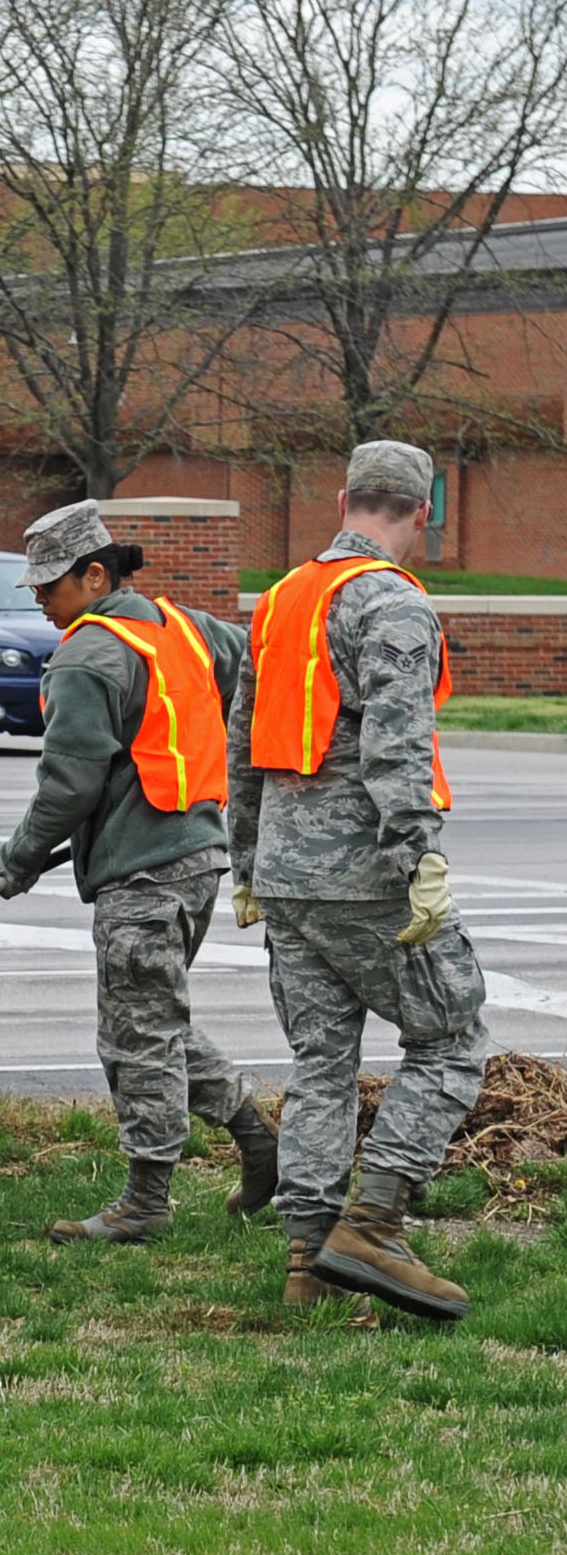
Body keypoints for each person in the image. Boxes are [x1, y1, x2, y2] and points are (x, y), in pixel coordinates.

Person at [227, 439, 486, 1320]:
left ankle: (307, 1254)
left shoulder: (281, 600)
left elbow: (240, 743)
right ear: (423, 513)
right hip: (366, 871)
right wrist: (419, 857)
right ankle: (372, 1225)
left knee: (321, 1061)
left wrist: (245, 860)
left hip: (286, 873)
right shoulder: (392, 604)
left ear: (341, 498)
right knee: (451, 1040)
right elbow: (396, 744)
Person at [0, 501, 276, 1245]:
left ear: (93, 575)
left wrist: (18, 859)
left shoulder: (86, 656)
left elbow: (67, 787)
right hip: (196, 859)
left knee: (134, 1039)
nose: (40, 603)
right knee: (152, 1018)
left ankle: (145, 1202)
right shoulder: (181, 626)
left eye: (47, 587)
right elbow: (252, 670)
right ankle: (255, 1134)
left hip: (142, 877)